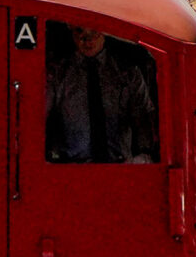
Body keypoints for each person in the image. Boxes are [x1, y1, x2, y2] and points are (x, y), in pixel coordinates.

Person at [46, 25, 159, 163]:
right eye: (79, 31)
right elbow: (39, 115)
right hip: (73, 167)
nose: (87, 41)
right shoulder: (58, 74)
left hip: (120, 166)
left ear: (105, 32)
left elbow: (143, 117)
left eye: (94, 31)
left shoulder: (127, 73)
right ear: (71, 32)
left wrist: (145, 153)